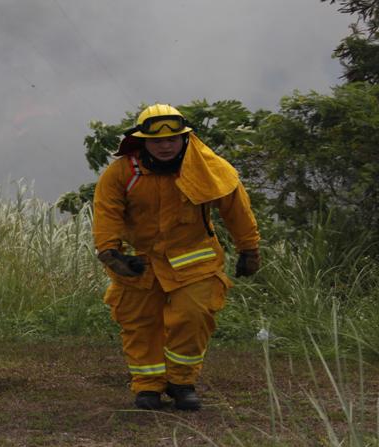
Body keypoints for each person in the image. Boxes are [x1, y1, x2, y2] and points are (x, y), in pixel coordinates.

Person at [93, 104, 260, 411]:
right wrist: (111, 253)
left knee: (193, 317)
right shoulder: (122, 173)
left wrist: (249, 248)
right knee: (140, 324)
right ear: (143, 141)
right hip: (141, 264)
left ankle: (182, 383)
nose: (165, 146)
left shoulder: (206, 168)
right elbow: (107, 212)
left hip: (196, 262)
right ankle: (148, 386)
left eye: (172, 139)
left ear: (185, 138)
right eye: (157, 141)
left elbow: (236, 208)